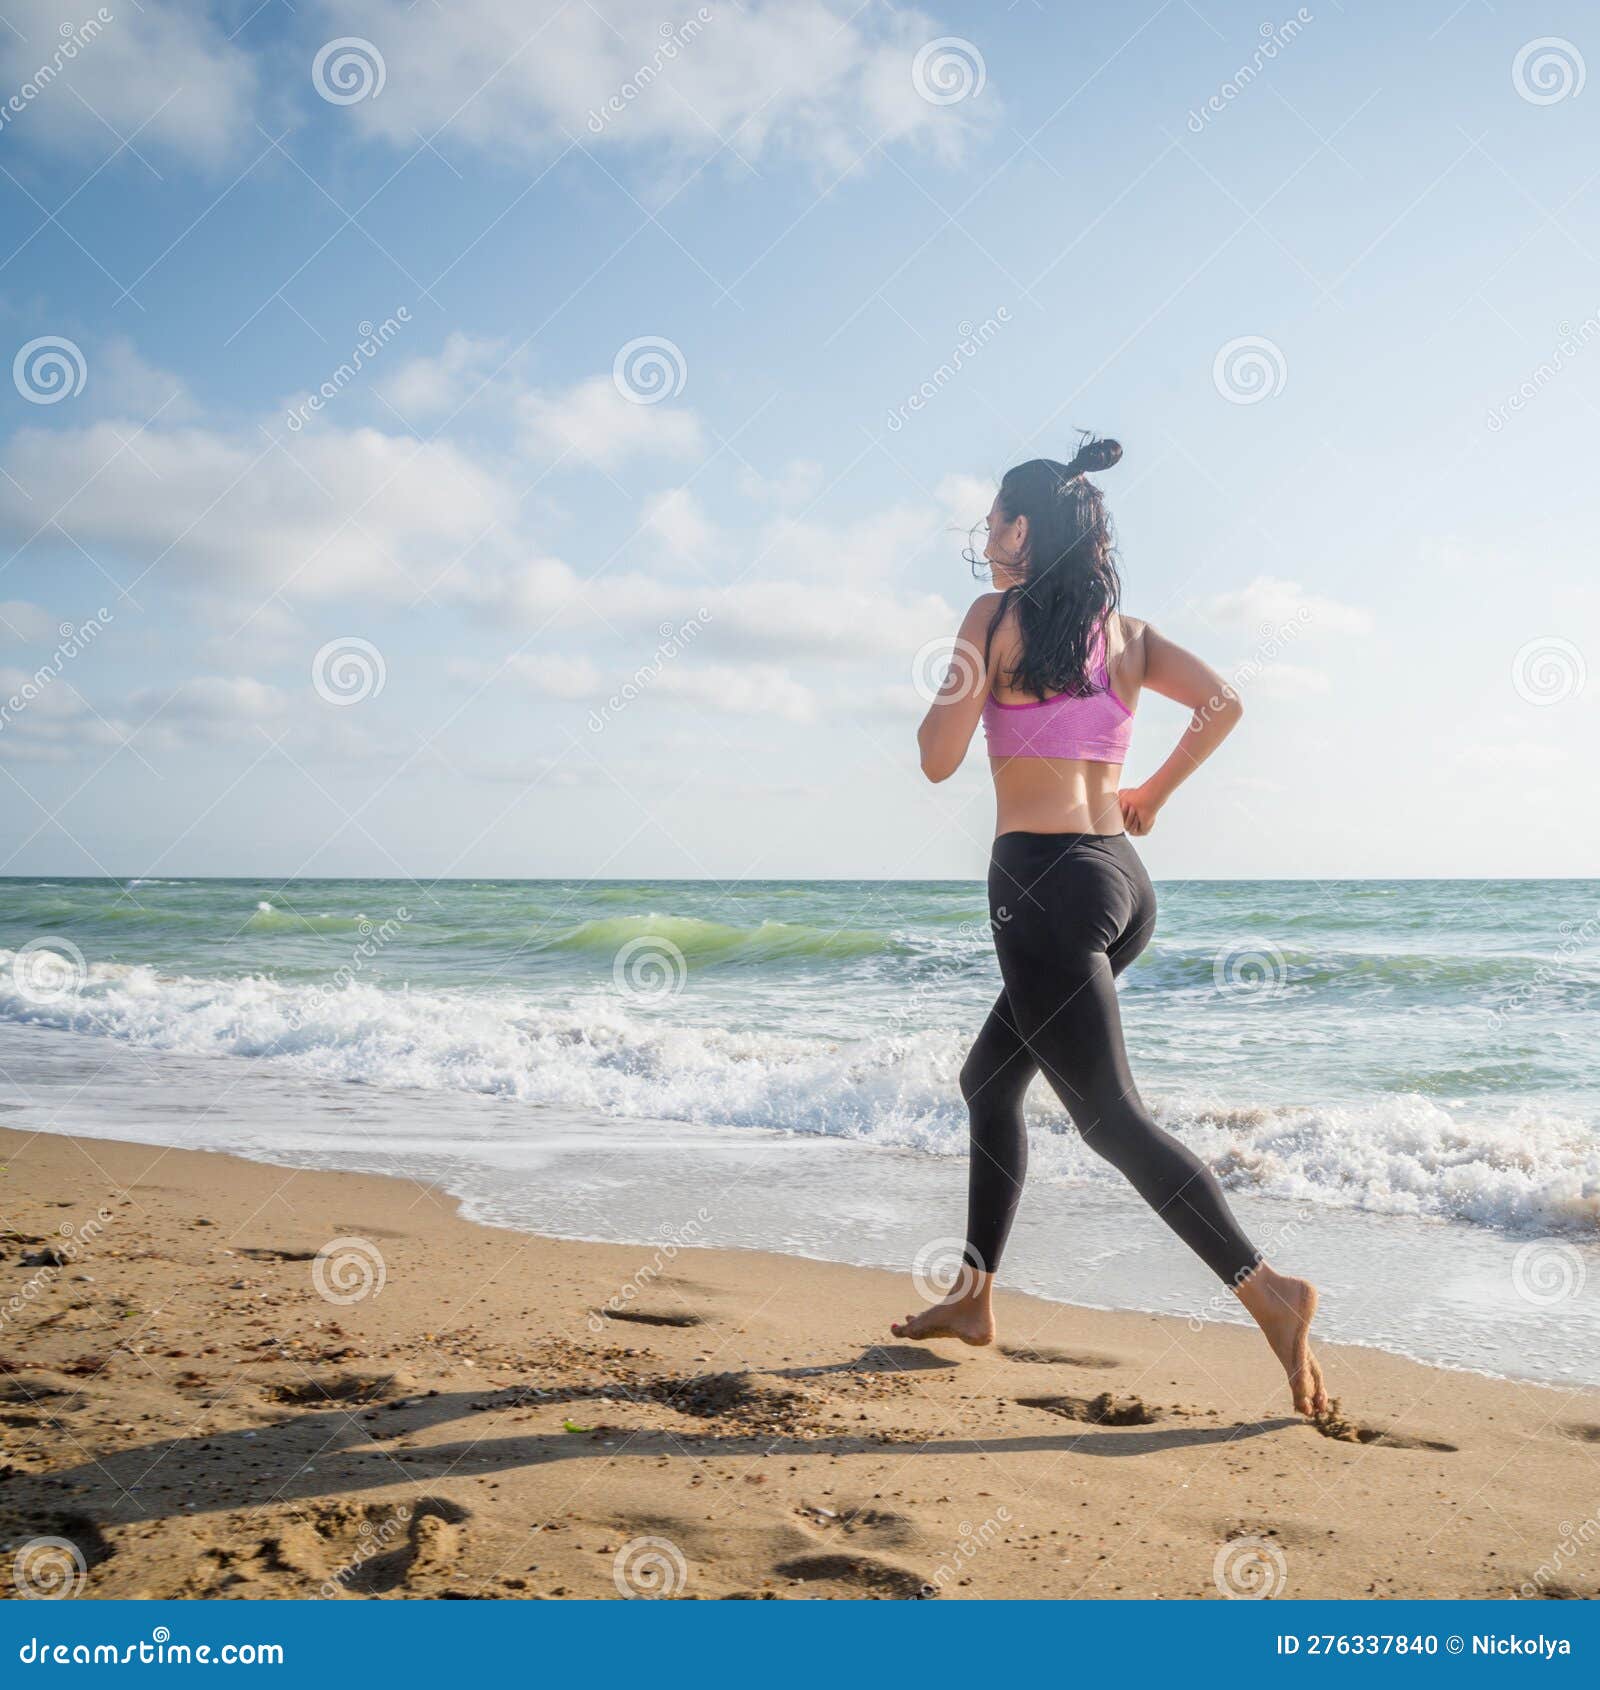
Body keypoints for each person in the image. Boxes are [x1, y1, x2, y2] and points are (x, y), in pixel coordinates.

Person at [892, 438, 1328, 1417]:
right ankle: (973, 1297)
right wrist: (1153, 794)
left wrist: (966, 669)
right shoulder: (1127, 633)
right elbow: (1222, 703)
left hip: (1042, 885)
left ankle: (1269, 1290)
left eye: (993, 521)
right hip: (1120, 881)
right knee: (988, 1081)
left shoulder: (989, 620)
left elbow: (935, 757)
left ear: (1022, 529)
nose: (984, 537)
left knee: (1108, 1118)